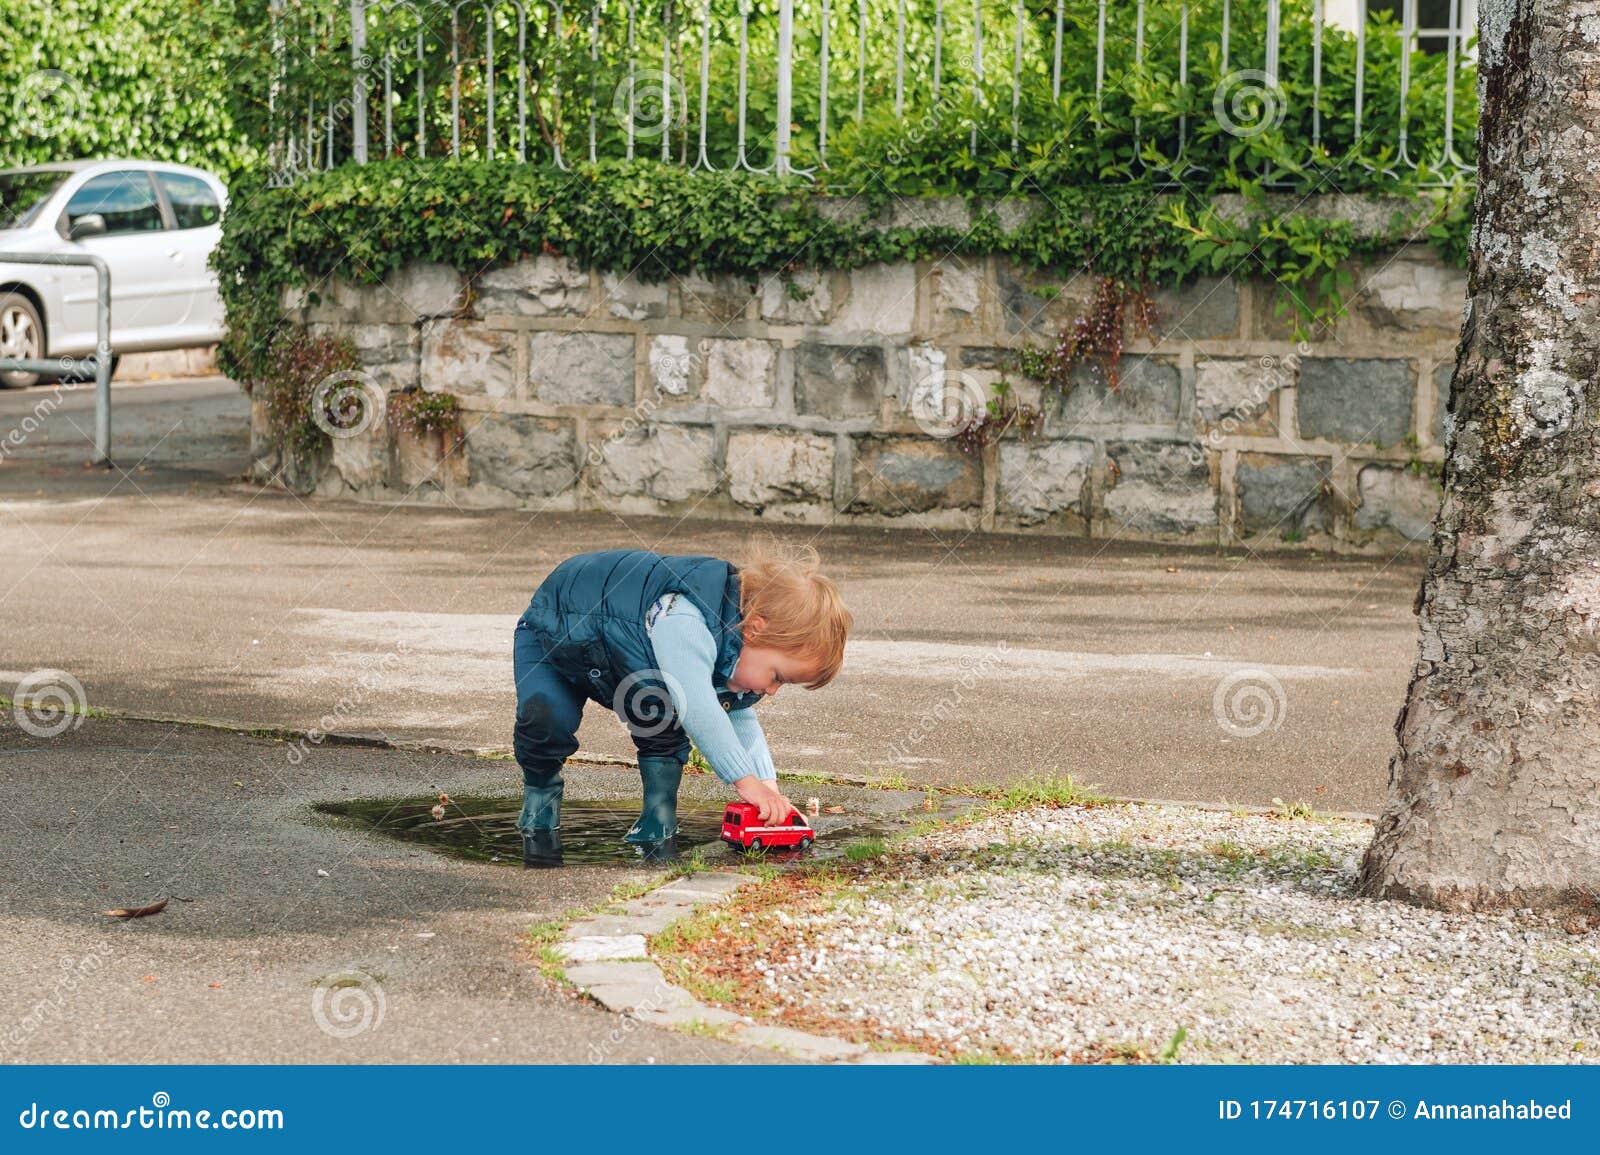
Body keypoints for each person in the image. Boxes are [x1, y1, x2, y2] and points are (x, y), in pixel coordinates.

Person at [512, 539, 851, 864]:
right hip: (554, 630)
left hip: (621, 659)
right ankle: (541, 794)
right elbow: (700, 709)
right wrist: (748, 784)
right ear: (755, 630)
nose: (773, 690)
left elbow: (737, 717)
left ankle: (657, 819)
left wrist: (770, 794)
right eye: (778, 676)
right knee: (544, 718)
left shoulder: (738, 645)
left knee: (659, 716)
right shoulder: (683, 619)